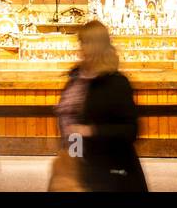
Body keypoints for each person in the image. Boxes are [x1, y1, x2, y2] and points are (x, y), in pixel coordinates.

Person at [53, 20, 146, 192]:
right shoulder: (76, 79)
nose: (80, 48)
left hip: (110, 172)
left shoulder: (115, 82)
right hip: (81, 166)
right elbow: (73, 125)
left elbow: (130, 130)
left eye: (86, 43)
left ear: (98, 47)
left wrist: (91, 131)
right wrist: (72, 159)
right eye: (80, 42)